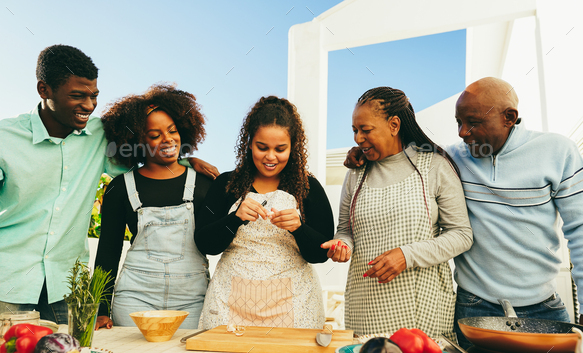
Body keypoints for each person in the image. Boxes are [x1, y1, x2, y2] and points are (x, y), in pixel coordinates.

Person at [345, 78, 583, 348]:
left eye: (472, 123)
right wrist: (363, 149)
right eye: (458, 122)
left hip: (543, 308)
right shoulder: (453, 158)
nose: (462, 133)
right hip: (473, 309)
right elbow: (404, 156)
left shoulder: (557, 152)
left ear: (509, 118)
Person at [0, 45, 218, 324]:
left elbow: (147, 161)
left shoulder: (98, 136)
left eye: (93, 96)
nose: (89, 106)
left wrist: (189, 162)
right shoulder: (6, 139)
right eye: (77, 96)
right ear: (44, 90)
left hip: (66, 290)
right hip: (7, 286)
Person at [325, 87, 473, 338]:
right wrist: (342, 245)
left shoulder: (434, 166)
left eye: (366, 130)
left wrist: (407, 255)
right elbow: (345, 231)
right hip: (366, 306)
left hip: (424, 306)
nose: (358, 138)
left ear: (394, 125)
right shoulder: (355, 173)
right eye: (355, 130)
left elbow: (461, 234)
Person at [195, 96, 334, 329]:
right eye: (262, 147)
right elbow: (205, 243)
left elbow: (321, 253)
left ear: (293, 147)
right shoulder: (225, 184)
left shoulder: (308, 187)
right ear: (249, 143)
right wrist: (235, 218)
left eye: (280, 149)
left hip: (295, 303)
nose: (270, 157)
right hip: (231, 303)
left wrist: (299, 229)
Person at [94, 84, 212, 329]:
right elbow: (107, 253)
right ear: (138, 142)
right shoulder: (120, 188)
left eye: (172, 130)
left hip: (193, 301)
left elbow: (216, 241)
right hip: (134, 298)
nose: (168, 139)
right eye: (155, 135)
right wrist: (101, 309)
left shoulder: (203, 184)